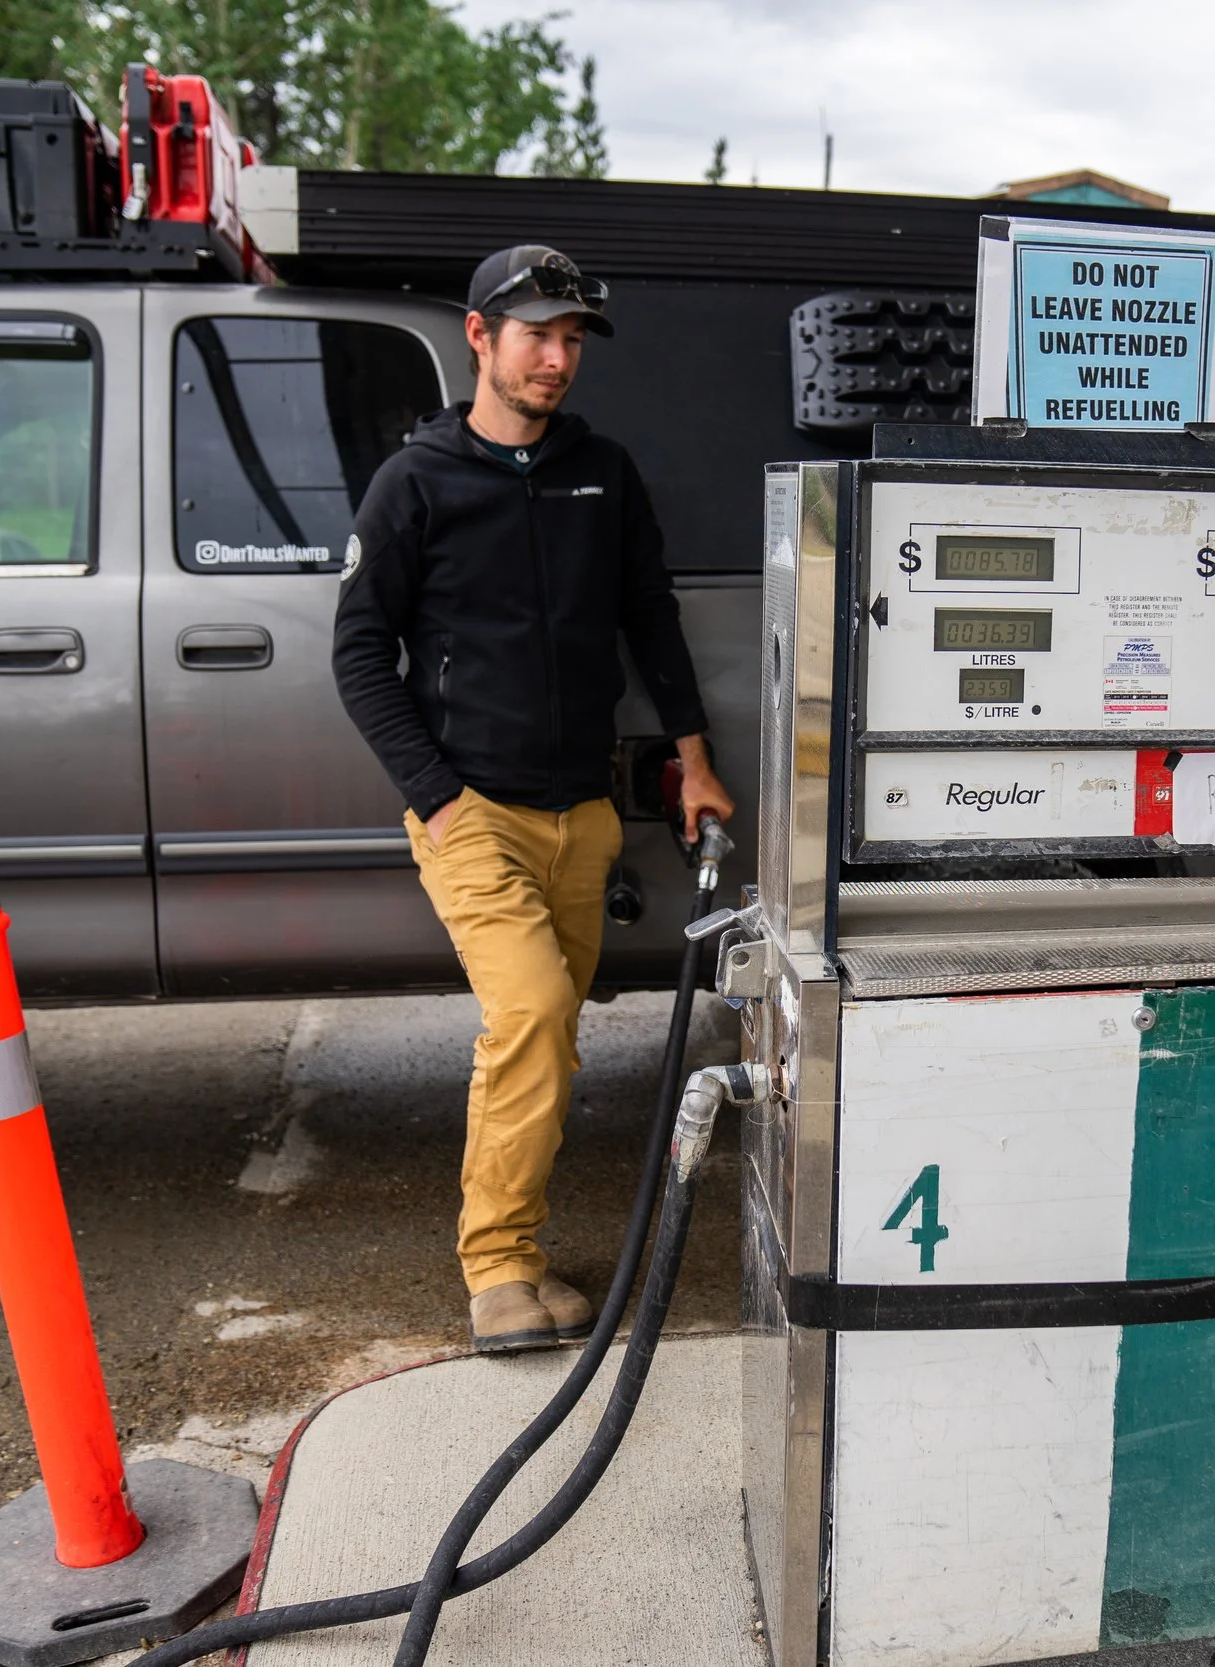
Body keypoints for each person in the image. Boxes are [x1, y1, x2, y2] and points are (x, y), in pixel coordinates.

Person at [332, 245, 734, 1353]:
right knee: (534, 1014)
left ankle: (528, 1250)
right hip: (476, 814)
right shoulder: (416, 481)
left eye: (571, 340)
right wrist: (440, 801)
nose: (556, 358)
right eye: (536, 335)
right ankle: (499, 1268)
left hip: (582, 815)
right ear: (481, 336)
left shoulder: (601, 469)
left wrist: (693, 761)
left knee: (545, 1044)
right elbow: (360, 653)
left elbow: (650, 619)